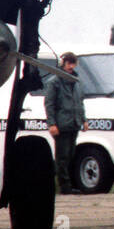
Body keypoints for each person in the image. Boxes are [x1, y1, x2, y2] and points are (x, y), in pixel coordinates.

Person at [44, 52, 87, 195]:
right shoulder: (54, 82)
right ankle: (64, 186)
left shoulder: (77, 82)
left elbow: (80, 102)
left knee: (71, 155)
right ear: (63, 63)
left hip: (74, 123)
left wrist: (84, 120)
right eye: (68, 63)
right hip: (61, 125)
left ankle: (70, 184)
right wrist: (52, 124)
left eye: (73, 63)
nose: (71, 66)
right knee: (62, 157)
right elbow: (49, 104)